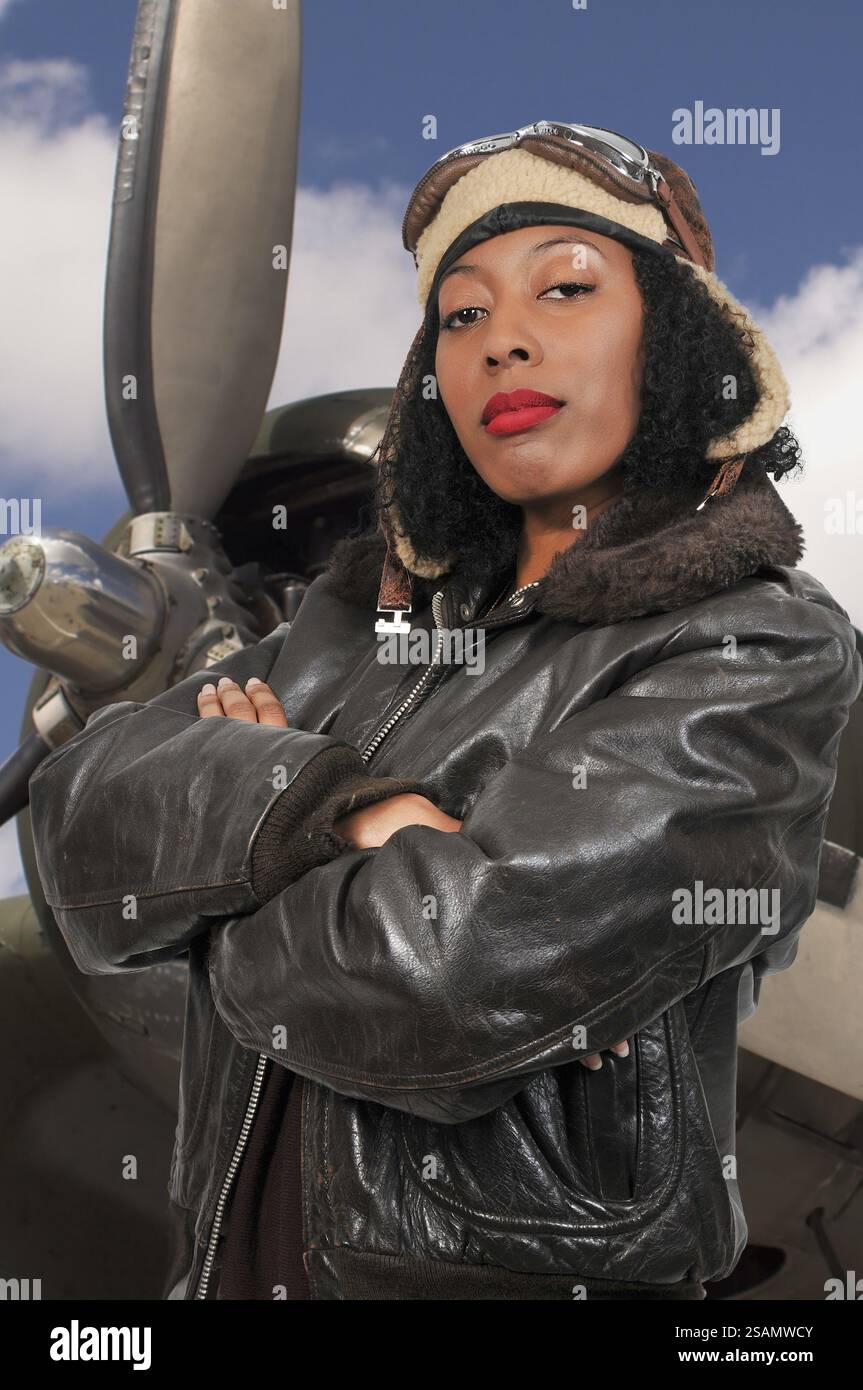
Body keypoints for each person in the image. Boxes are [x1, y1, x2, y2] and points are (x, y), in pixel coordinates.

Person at [29, 122, 862, 1301]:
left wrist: (217, 874)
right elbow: (75, 834)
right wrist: (353, 818)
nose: (501, 339)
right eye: (459, 316)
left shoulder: (754, 641)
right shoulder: (339, 626)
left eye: (566, 287)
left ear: (676, 342)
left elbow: (449, 988)